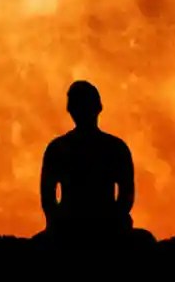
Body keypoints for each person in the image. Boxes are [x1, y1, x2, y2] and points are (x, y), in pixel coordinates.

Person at [35, 80, 156, 250]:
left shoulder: (60, 148)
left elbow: (125, 197)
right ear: (99, 107)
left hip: (100, 227)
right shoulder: (113, 147)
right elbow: (48, 199)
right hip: (76, 228)